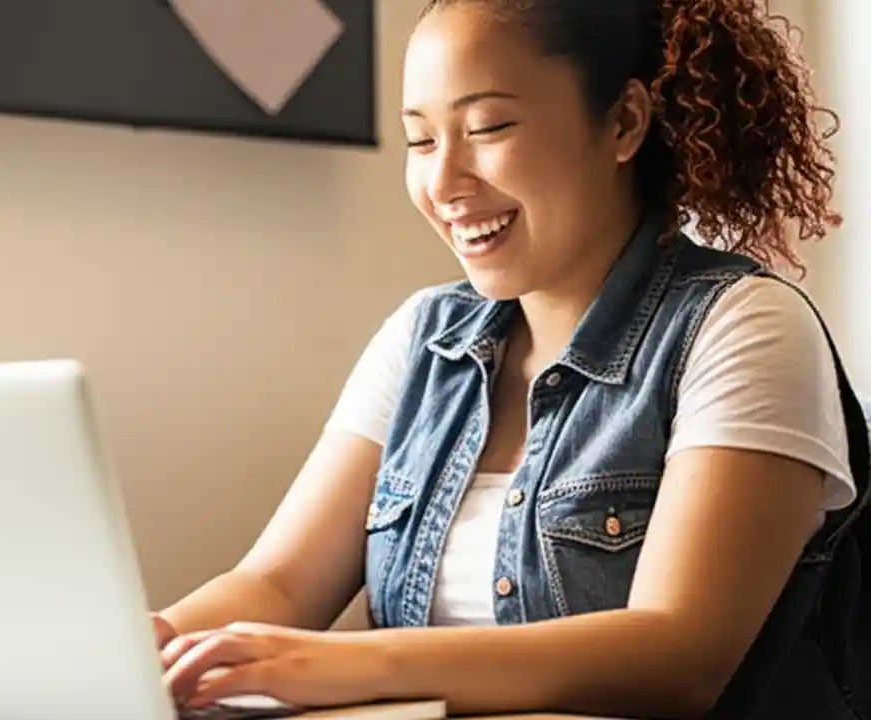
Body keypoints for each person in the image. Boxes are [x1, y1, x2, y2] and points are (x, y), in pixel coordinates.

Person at [155, 0, 869, 718]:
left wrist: (346, 664)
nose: (443, 185)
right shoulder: (422, 339)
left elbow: (677, 657)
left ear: (624, 122)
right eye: (420, 141)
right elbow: (277, 586)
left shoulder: (743, 326)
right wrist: (146, 649)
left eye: (488, 128)